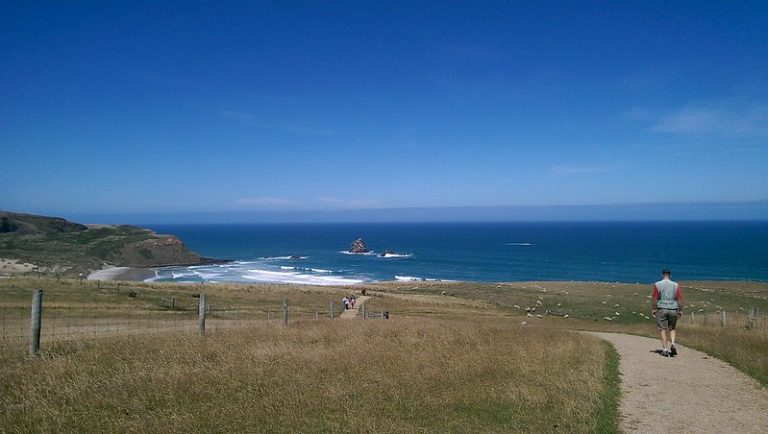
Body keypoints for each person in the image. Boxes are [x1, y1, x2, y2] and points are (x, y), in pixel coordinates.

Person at [652, 269, 683, 357]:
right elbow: (679, 298)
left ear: (662, 275)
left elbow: (655, 298)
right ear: (670, 275)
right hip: (673, 308)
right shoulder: (675, 285)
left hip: (662, 308)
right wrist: (680, 310)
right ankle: (673, 344)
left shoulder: (657, 284)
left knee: (662, 329)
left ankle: (665, 350)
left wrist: (654, 309)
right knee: (672, 328)